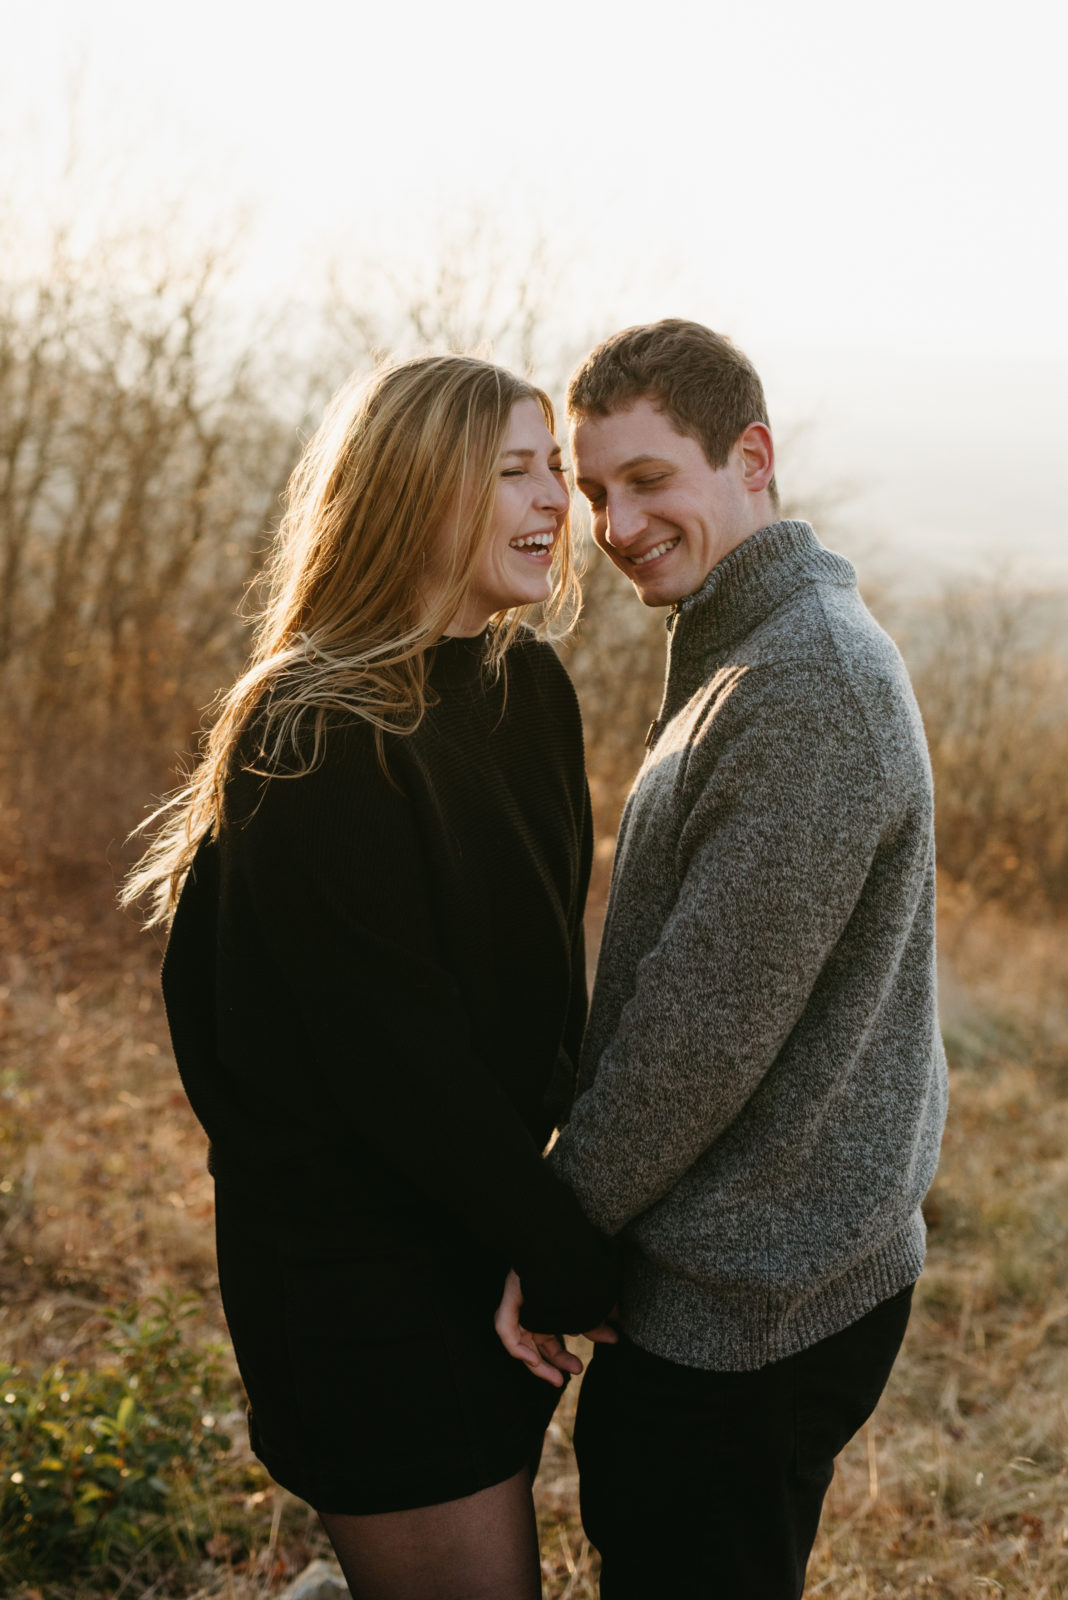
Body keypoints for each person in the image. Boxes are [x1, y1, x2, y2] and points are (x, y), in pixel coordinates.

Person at [123, 354, 619, 1600]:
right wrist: (548, 1236)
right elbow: (389, 1055)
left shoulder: (530, 690)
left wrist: (524, 1219)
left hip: (478, 1233)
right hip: (358, 1279)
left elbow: (543, 990)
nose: (554, 499)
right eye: (512, 470)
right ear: (410, 492)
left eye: (553, 467)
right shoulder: (313, 732)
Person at [495, 319, 949, 1597]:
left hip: (758, 1299)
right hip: (741, 1260)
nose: (615, 523)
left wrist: (553, 1235)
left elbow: (698, 1034)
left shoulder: (806, 686)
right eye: (592, 492)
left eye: (648, 479)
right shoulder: (750, 648)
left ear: (750, 458)